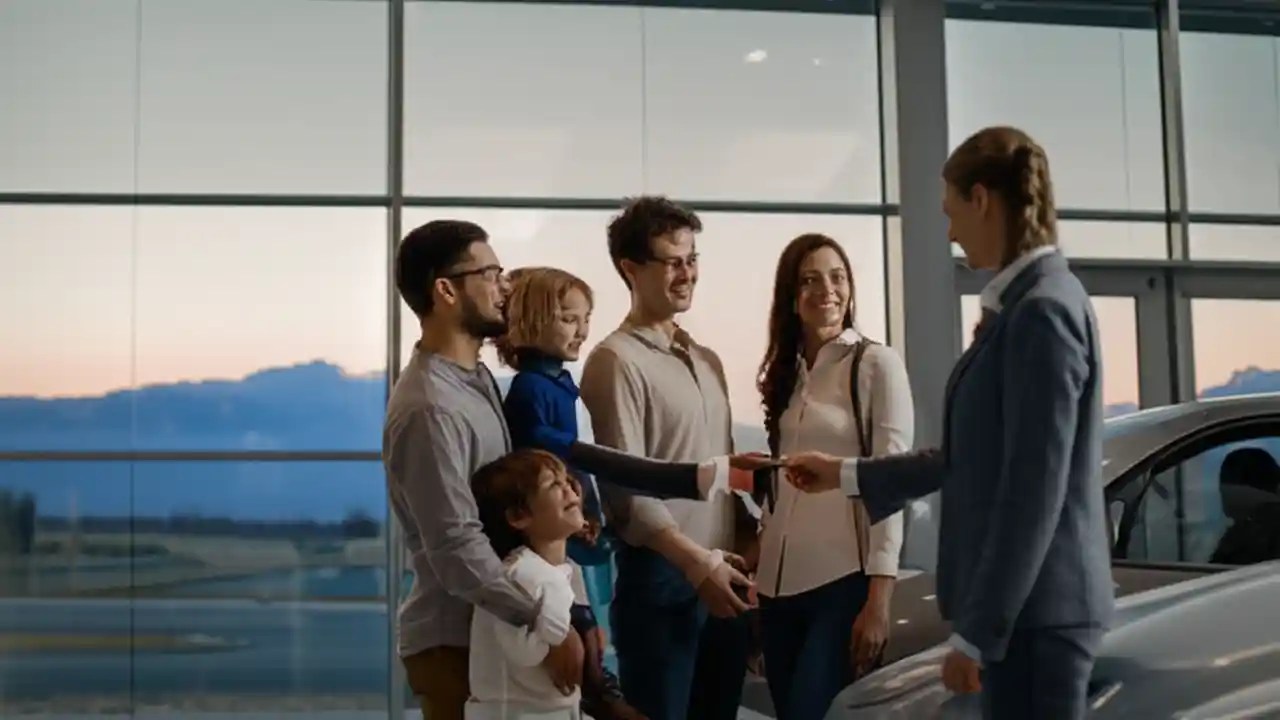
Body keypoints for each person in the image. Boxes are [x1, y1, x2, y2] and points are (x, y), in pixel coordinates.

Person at [782, 126, 1115, 720]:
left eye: (951, 212)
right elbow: (969, 455)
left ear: (982, 199)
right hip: (1030, 615)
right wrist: (845, 473)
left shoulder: (1043, 312)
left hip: (1036, 616)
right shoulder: (1027, 307)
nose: (952, 232)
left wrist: (981, 632)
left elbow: (1033, 491)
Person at [385, 220, 750, 720]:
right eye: (489, 273)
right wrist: (547, 623)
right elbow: (455, 547)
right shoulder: (431, 407)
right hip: (460, 640)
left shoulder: (475, 381)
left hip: (506, 628)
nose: (504, 286)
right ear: (445, 290)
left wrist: (565, 610)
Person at [579, 196, 754, 720]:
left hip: (723, 578)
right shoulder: (615, 360)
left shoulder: (706, 359)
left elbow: (719, 471)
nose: (687, 274)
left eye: (693, 259)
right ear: (630, 269)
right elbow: (629, 497)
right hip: (661, 582)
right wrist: (697, 565)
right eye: (672, 261)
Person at [751, 234, 915, 720]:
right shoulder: (785, 374)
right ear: (791, 295)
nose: (828, 289)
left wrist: (879, 600)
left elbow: (892, 483)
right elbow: (779, 492)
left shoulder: (875, 364)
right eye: (810, 279)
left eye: (838, 276)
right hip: (776, 592)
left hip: (842, 584)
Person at [467, 449, 595, 720]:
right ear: (518, 517)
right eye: (553, 484)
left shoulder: (556, 571)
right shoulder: (522, 575)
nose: (569, 487)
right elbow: (525, 652)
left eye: (567, 479)